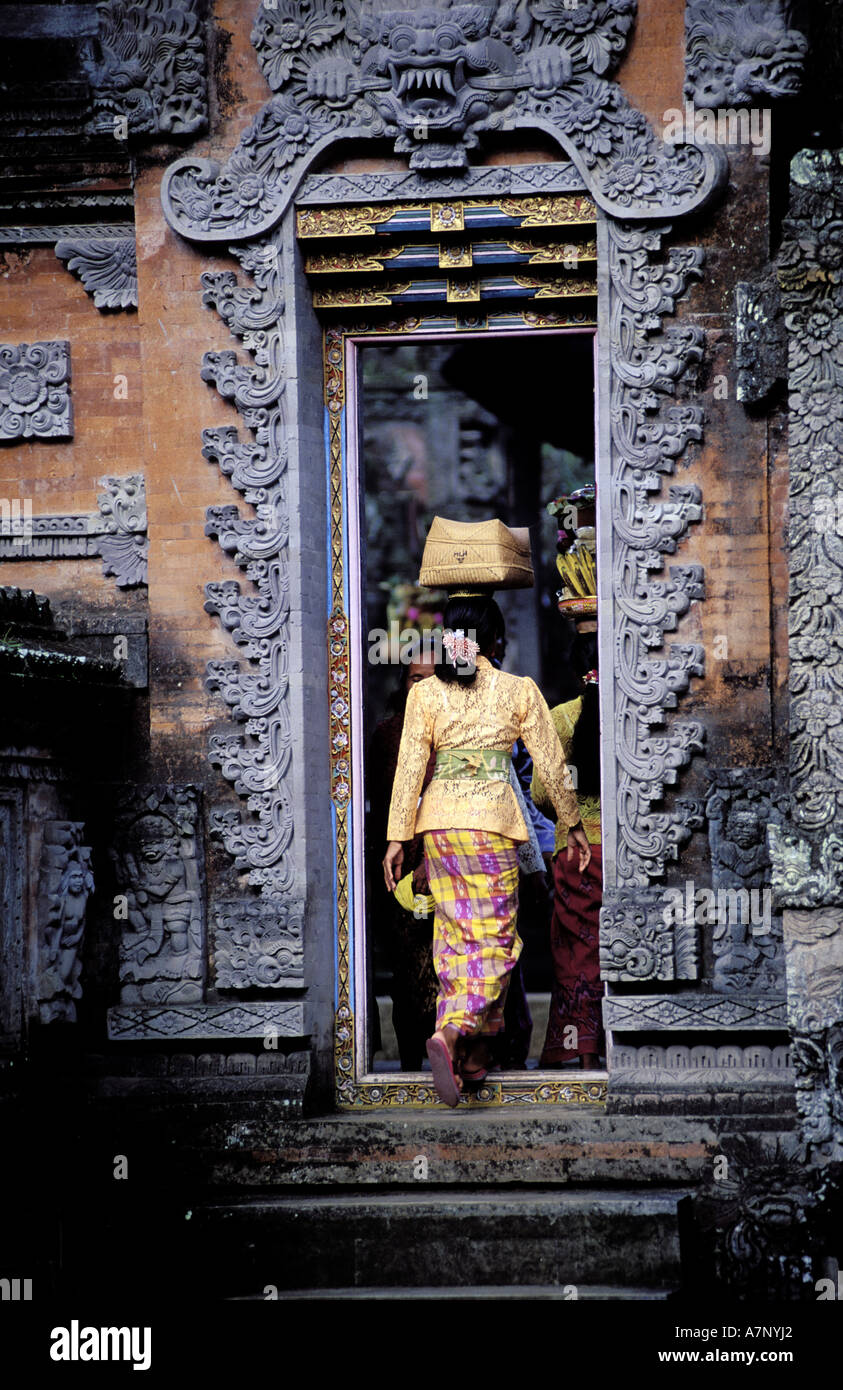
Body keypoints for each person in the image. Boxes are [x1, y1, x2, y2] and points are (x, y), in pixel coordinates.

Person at [383, 592, 590, 1106]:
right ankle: (453, 1034)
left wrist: (396, 838)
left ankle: (472, 1057)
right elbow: (550, 765)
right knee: (495, 941)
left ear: (447, 639)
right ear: (496, 641)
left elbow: (410, 769)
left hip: (439, 830)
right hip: (492, 827)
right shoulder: (517, 690)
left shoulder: (425, 694)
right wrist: (573, 822)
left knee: (455, 940)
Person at [531, 660, 604, 1070]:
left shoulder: (561, 718)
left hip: (576, 852)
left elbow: (542, 792)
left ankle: (586, 1054)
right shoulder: (628, 712)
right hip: (623, 848)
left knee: (577, 952)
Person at [367, 651, 438, 1068]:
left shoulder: (455, 734)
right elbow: (376, 808)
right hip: (401, 869)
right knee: (407, 971)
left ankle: (456, 1057)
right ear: (403, 685)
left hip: (452, 864)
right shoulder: (387, 734)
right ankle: (411, 1063)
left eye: (431, 678)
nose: (423, 687)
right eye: (415, 679)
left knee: (450, 967)